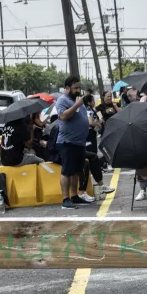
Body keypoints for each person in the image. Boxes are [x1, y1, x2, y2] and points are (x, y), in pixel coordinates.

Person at [56, 75, 91, 209]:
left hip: (79, 143)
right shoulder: (62, 100)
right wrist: (76, 105)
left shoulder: (78, 100)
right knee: (67, 171)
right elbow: (63, 116)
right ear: (67, 88)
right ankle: (65, 199)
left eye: (79, 87)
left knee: (76, 171)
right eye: (75, 87)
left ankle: (74, 196)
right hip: (67, 142)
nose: (78, 90)